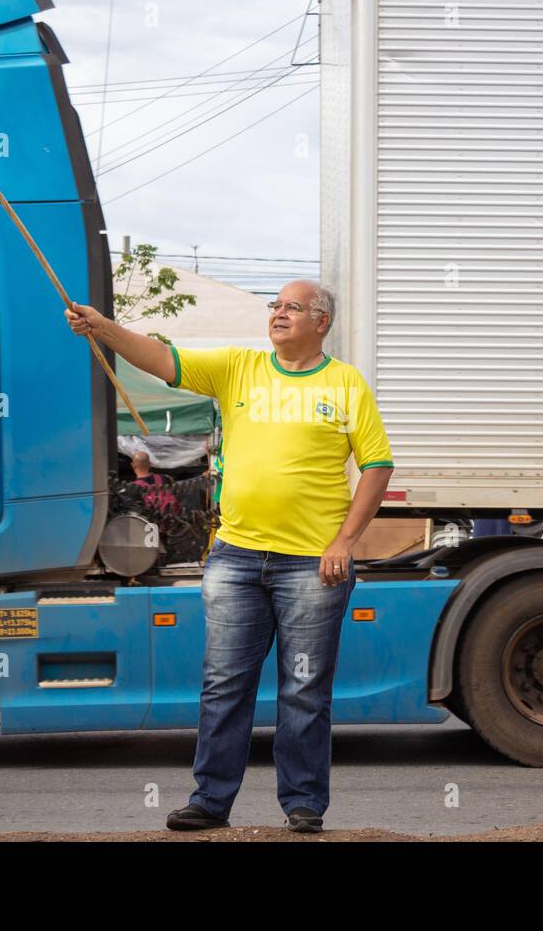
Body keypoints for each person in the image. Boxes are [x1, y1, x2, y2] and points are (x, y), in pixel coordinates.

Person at [65, 279, 394, 833]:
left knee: (305, 687)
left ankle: (304, 805)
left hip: (312, 564)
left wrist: (344, 542)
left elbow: (378, 465)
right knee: (224, 682)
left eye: (294, 307)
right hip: (237, 559)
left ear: (322, 322)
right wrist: (102, 326)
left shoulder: (345, 384)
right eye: (276, 305)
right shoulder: (238, 368)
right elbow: (162, 359)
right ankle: (210, 801)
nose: (280, 314)